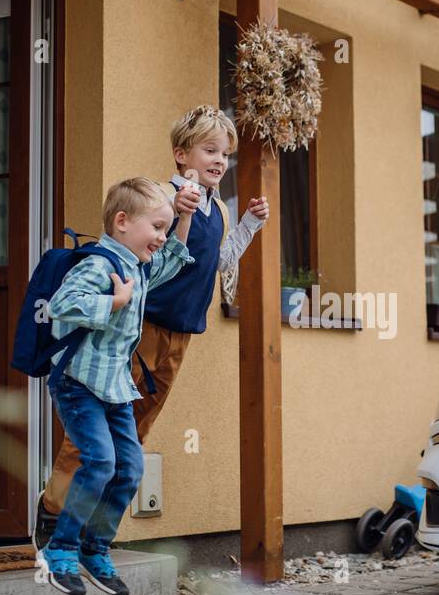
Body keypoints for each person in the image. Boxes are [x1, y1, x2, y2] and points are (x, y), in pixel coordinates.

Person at [36, 105, 269, 544]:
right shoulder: (162, 197)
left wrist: (249, 225)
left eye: (225, 154)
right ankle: (53, 510)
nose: (220, 160)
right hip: (138, 332)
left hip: (180, 337)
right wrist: (177, 212)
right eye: (210, 150)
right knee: (96, 425)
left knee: (135, 429)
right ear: (182, 154)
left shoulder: (217, 208)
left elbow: (218, 262)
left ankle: (90, 527)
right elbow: (149, 258)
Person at [38, 178, 196, 595]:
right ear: (122, 222)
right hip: (79, 385)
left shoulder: (137, 268)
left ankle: (95, 548)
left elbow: (174, 262)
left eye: (165, 229)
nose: (162, 237)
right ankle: (61, 548)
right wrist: (114, 302)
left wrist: (185, 217)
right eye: (157, 228)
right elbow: (62, 304)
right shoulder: (99, 264)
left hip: (115, 389)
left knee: (130, 469)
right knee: (100, 463)